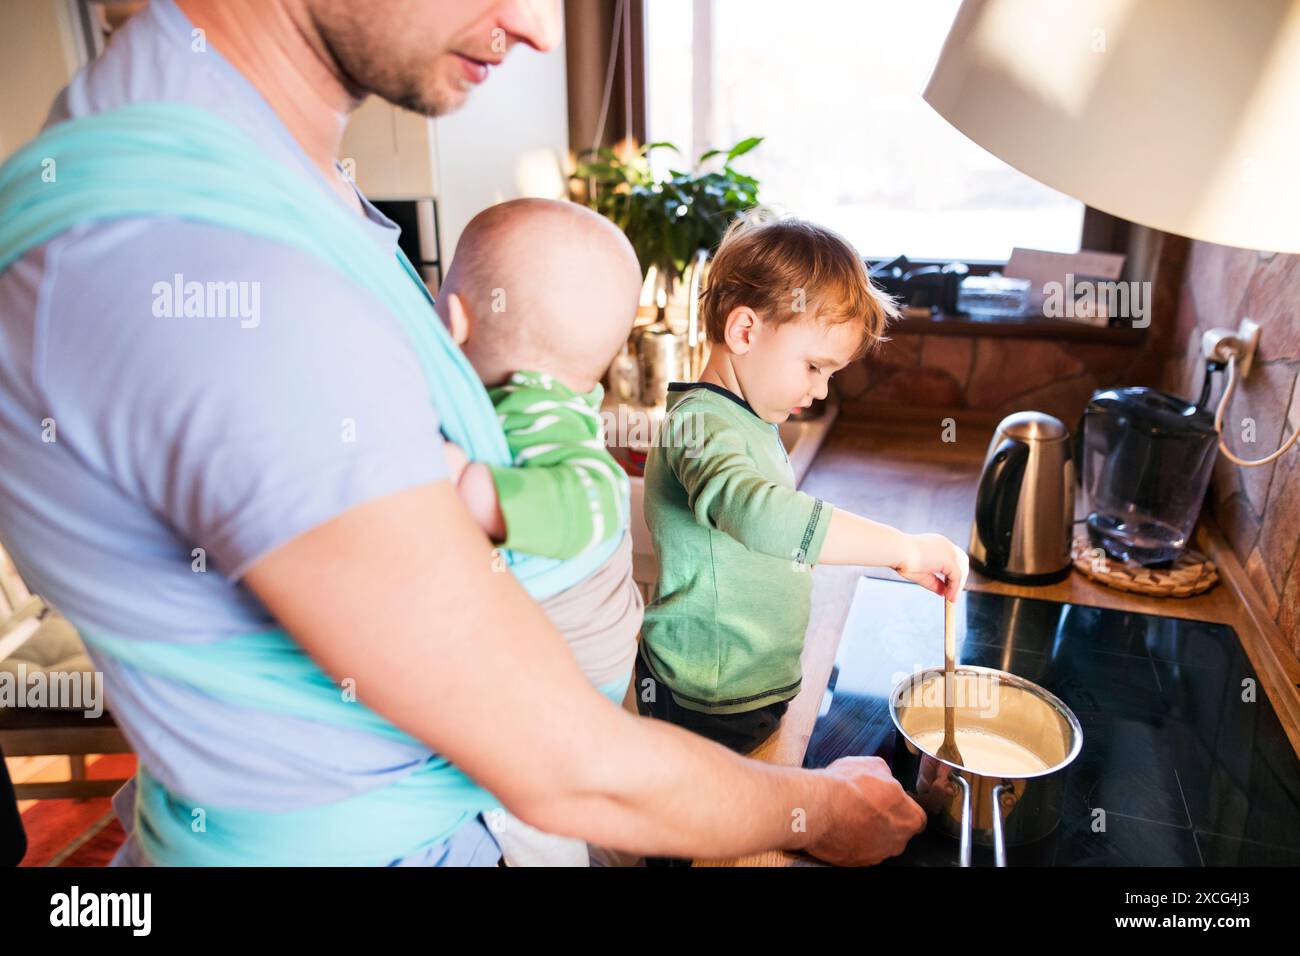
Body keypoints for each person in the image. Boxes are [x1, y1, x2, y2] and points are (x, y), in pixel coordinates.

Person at [0, 0, 933, 866]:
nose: (535, 27)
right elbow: (560, 761)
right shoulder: (203, 263)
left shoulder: (277, 191)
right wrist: (821, 809)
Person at [637, 215, 970, 759]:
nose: (820, 389)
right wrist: (901, 549)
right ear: (744, 331)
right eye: (815, 366)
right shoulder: (697, 424)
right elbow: (761, 516)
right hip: (704, 697)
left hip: (749, 684)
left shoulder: (747, 415)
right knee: (698, 837)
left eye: (831, 373)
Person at [436, 197, 645, 865]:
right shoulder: (559, 398)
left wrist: (475, 486)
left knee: (533, 822)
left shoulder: (534, 405)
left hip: (567, 696)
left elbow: (591, 498)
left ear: (453, 320)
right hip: (583, 686)